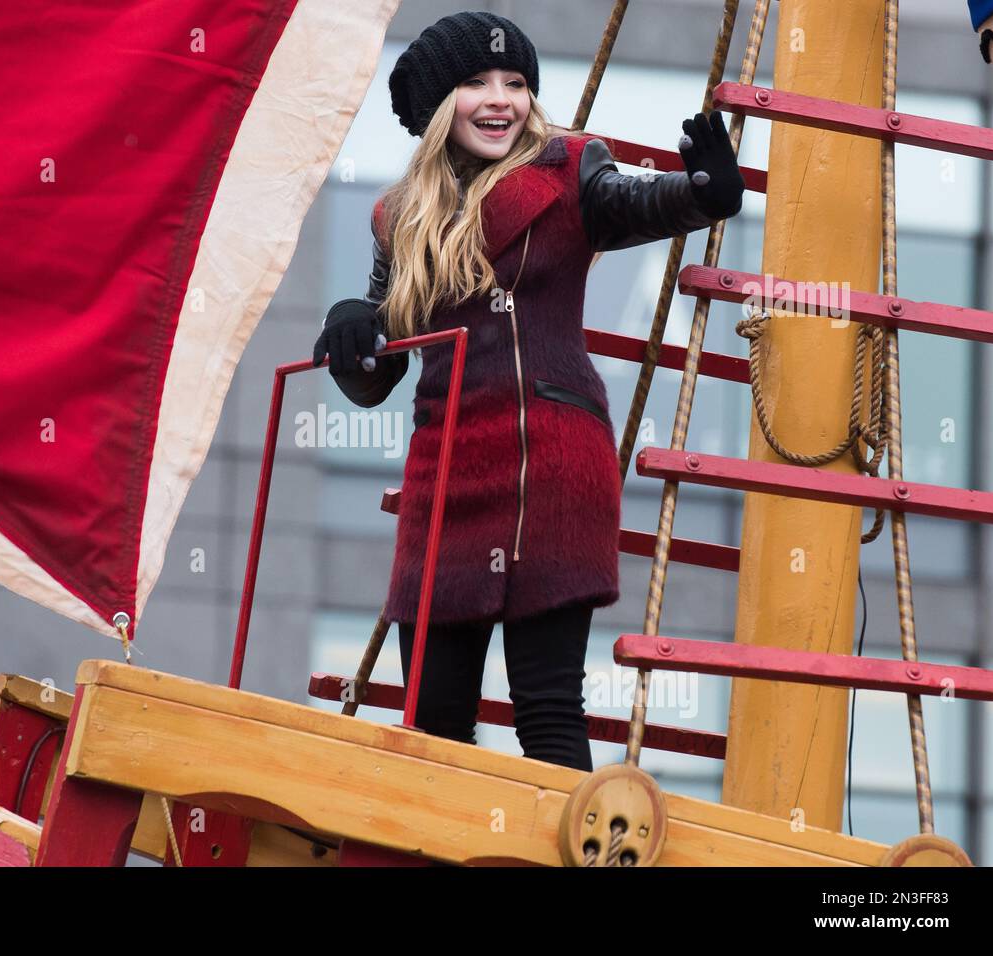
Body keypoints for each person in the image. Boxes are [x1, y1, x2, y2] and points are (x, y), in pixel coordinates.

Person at [312, 11, 744, 771]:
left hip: (549, 463)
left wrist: (705, 192)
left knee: (546, 706)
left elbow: (639, 203)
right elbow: (380, 369)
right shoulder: (399, 216)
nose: (500, 99)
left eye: (515, 83)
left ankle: (560, 836)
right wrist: (352, 330)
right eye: (477, 82)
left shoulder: (569, 170)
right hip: (445, 477)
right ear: (439, 104)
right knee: (432, 720)